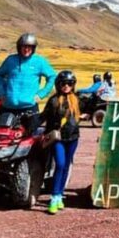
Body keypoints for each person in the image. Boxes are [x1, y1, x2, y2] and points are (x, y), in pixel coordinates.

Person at [0, 33, 56, 133]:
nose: (26, 49)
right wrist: (2, 93)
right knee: (2, 136)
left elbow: (52, 76)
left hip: (29, 108)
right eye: (24, 46)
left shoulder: (39, 61)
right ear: (19, 47)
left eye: (29, 47)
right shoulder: (10, 60)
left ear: (33, 48)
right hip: (8, 107)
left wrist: (41, 94)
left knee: (29, 138)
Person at [40, 70, 80, 215]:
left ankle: (59, 196)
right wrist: (29, 125)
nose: (66, 86)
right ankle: (54, 197)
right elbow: (44, 117)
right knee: (60, 164)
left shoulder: (77, 99)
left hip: (73, 138)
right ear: (58, 84)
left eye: (70, 83)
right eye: (63, 83)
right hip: (58, 138)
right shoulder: (54, 101)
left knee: (66, 166)